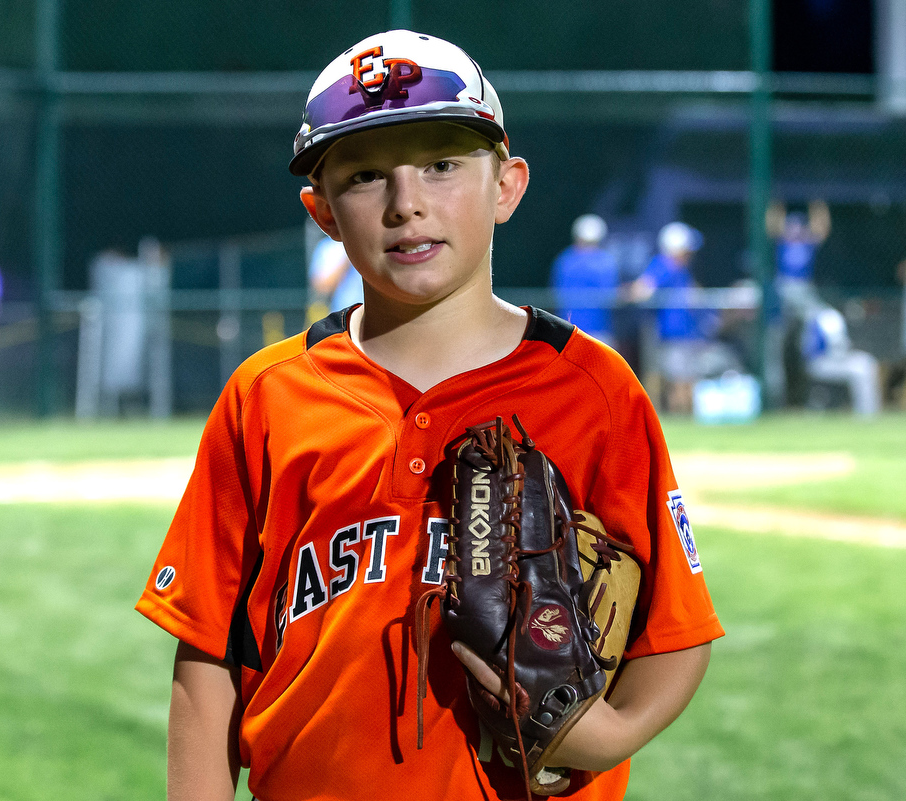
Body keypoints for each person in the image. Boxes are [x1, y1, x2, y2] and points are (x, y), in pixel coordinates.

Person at [136, 30, 723, 801]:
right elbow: (208, 652)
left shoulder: (592, 391)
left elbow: (676, 629)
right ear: (322, 211)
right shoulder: (268, 395)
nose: (406, 202)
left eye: (442, 165)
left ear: (507, 185)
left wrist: (612, 733)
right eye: (366, 174)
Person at [631, 222, 737, 414]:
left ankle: (686, 420)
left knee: (688, 381)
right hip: (673, 334)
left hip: (688, 334)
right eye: (686, 250)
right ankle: (679, 420)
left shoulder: (681, 270)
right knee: (679, 382)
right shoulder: (664, 265)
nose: (690, 254)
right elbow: (641, 290)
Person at [800, 301, 881, 416]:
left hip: (824, 362)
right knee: (861, 369)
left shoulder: (819, 318)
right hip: (821, 363)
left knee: (866, 361)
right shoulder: (828, 318)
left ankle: (868, 411)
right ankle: (866, 413)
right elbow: (835, 349)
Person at [549, 214, 620, 345]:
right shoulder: (605, 261)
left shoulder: (564, 260)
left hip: (567, 332)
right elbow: (611, 296)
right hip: (598, 333)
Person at [766, 199, 831, 317]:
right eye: (791, 226)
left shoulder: (808, 242)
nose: (796, 230)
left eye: (799, 226)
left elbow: (822, 227)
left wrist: (817, 203)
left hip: (804, 286)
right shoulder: (782, 241)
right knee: (780, 319)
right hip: (783, 286)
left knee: (821, 316)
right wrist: (776, 203)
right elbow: (773, 225)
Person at [309, 234, 365, 313]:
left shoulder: (367, 241)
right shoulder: (327, 247)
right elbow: (322, 287)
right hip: (342, 313)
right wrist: (349, 254)